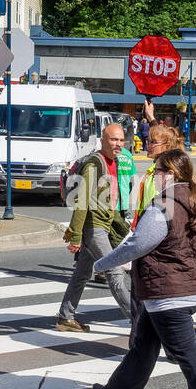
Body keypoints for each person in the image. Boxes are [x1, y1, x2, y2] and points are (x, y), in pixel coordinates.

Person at [90, 148, 196, 389]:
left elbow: (138, 243)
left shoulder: (164, 204)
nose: (154, 175)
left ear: (170, 174)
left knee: (188, 355)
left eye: (158, 171)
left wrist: (102, 263)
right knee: (144, 345)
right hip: (182, 289)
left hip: (168, 293)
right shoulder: (195, 200)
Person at [56, 123, 131, 332]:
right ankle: (139, 320)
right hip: (93, 228)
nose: (117, 144)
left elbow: (107, 202)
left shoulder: (112, 162)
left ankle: (65, 317)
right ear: (102, 140)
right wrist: (75, 236)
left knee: (81, 274)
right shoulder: (94, 165)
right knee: (115, 273)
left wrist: (123, 229)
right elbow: (82, 201)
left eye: (121, 140)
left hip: (102, 226)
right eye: (113, 139)